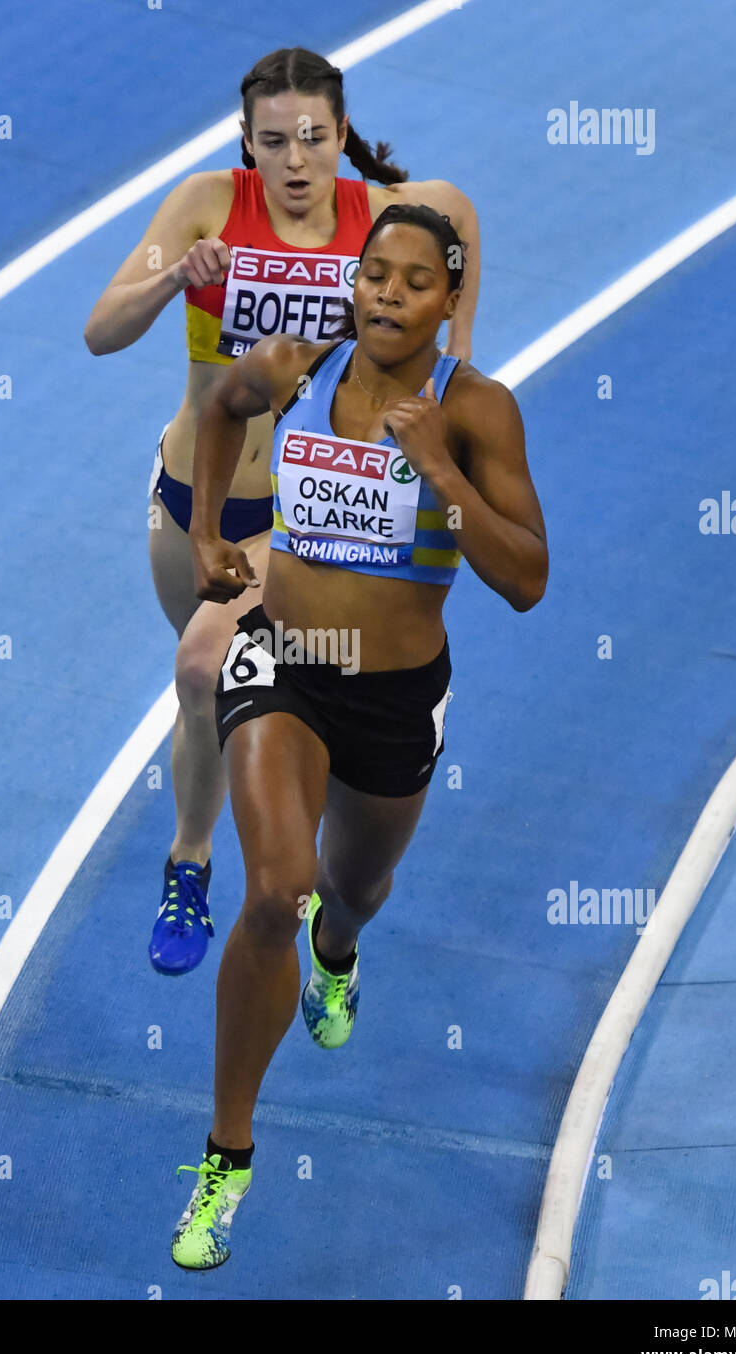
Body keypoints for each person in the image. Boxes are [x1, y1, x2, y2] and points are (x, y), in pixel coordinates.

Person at [168, 203, 548, 1270]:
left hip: (393, 699)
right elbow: (224, 402)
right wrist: (207, 532)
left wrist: (443, 473)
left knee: (350, 889)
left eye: (412, 280)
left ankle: (339, 953)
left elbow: (525, 578)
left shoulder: (475, 410)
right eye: (372, 272)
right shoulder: (299, 362)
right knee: (273, 887)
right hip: (286, 662)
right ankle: (225, 1157)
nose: (384, 292)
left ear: (448, 298)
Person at [83, 48, 480, 975]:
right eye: (273, 143)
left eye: (313, 139)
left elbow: (456, 215)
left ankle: (207, 868)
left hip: (306, 522)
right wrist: (175, 277)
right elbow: (101, 331)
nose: (295, 162)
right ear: (246, 144)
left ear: (341, 134)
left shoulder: (379, 220)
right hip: (191, 499)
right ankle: (254, 865)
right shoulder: (206, 206)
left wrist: (462, 363)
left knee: (202, 663)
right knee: (212, 690)